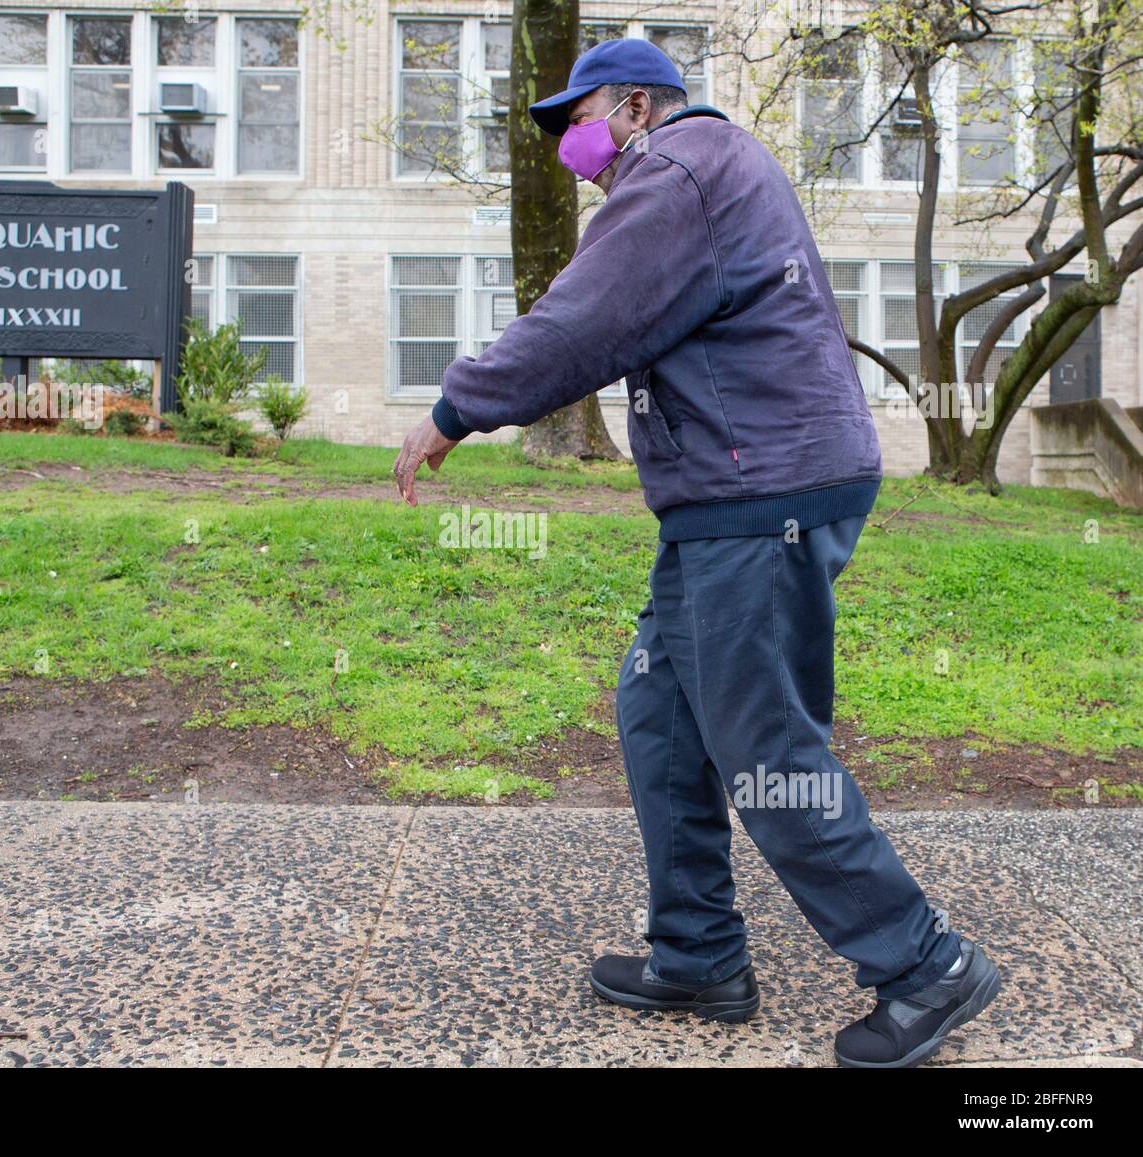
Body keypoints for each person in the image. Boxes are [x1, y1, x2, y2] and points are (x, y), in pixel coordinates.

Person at [391, 38, 1000, 1068]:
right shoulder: (701, 170)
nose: (564, 146)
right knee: (661, 719)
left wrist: (454, 409)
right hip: (735, 493)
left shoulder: (672, 169)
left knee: (764, 751)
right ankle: (697, 955)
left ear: (633, 106)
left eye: (573, 120)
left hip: (762, 494)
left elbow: (581, 321)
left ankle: (921, 962)